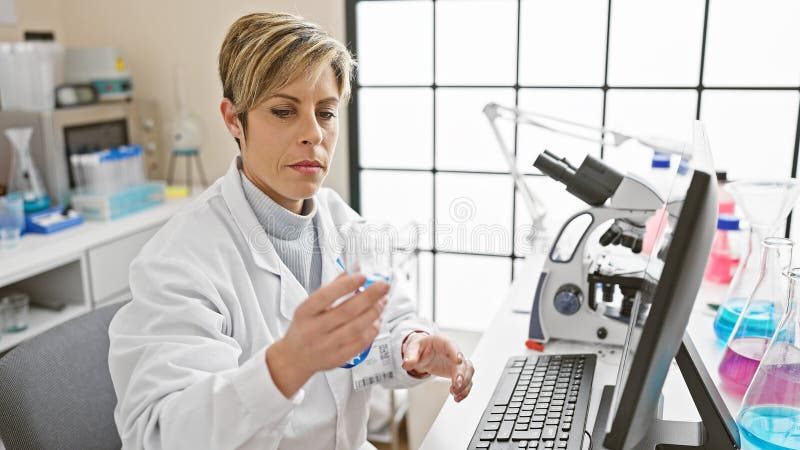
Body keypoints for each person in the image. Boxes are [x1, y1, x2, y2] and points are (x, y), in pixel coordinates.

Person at [108, 12, 474, 450]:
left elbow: (387, 327)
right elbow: (162, 436)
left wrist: (411, 348)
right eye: (283, 111)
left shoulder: (344, 223)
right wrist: (285, 366)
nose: (312, 134)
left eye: (326, 113)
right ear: (233, 120)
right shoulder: (179, 262)